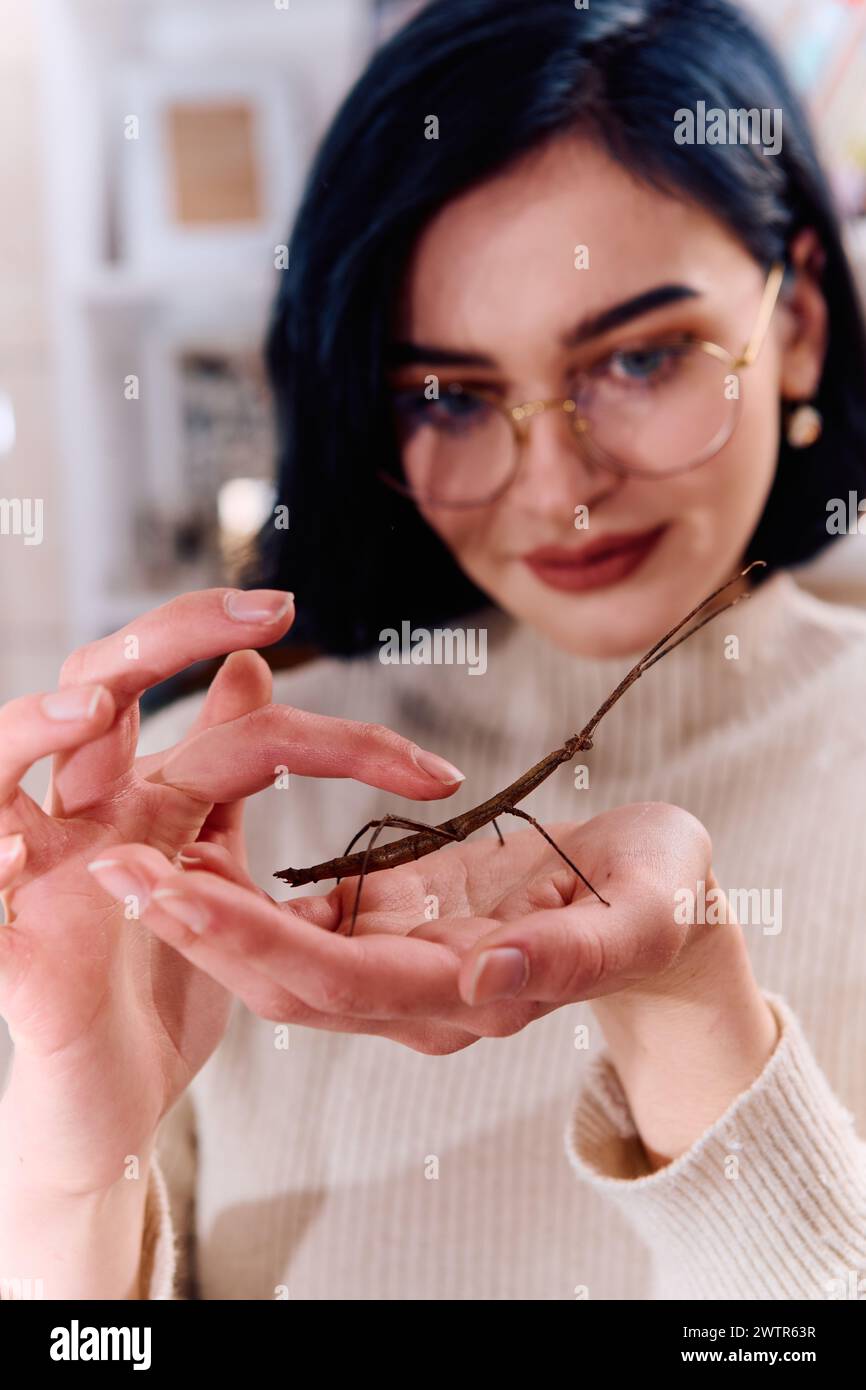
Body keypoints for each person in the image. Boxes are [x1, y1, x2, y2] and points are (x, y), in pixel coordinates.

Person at [2, 0, 866, 1301]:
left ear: (795, 318)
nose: (557, 484)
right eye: (448, 395)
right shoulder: (210, 804)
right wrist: (76, 1174)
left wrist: (687, 994)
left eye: (638, 358)